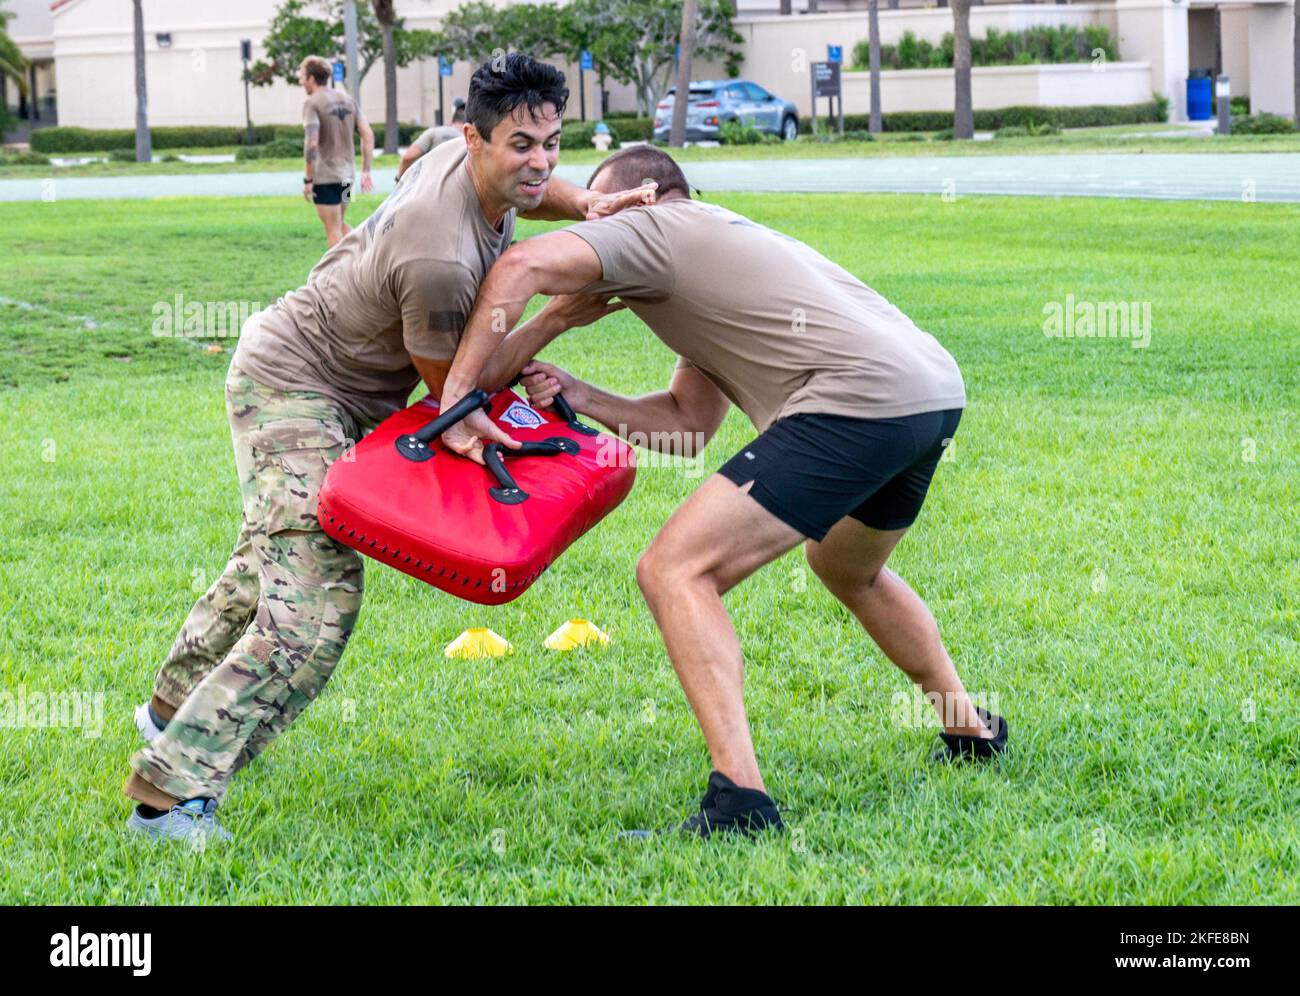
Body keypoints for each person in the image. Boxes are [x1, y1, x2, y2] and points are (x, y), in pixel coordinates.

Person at [123, 55, 644, 845]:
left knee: (268, 559)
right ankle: (167, 799)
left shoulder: (457, 157)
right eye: (520, 145)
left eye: (552, 141)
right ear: (473, 138)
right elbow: (456, 398)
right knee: (314, 607)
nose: (540, 161)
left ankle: (169, 711)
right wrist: (555, 320)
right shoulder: (438, 261)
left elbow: (539, 194)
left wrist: (594, 201)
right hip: (293, 389)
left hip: (334, 389)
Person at [436, 145, 1007, 838]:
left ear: (640, 201)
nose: (597, 225)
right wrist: (581, 395)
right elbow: (686, 425)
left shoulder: (655, 230)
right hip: (929, 396)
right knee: (845, 566)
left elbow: (519, 265)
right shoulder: (709, 247)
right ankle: (969, 730)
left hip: (856, 401)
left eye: (601, 207)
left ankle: (740, 801)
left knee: (674, 570)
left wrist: (461, 395)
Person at [299, 55, 375, 247]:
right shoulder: (348, 100)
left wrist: (308, 179)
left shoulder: (312, 103)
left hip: (325, 177)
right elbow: (368, 134)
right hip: (348, 176)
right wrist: (366, 170)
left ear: (311, 78)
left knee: (332, 230)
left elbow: (312, 143)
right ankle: (366, 254)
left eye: (302, 76)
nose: (300, 81)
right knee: (340, 224)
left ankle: (342, 275)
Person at [397, 99, 466, 181]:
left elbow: (408, 157)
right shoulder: (472, 141)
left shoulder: (434, 133)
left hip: (431, 185)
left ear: (451, 121)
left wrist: (399, 180)